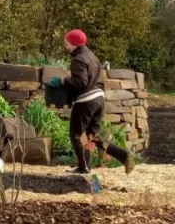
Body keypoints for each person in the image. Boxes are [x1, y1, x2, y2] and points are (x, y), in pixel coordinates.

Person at [49, 29, 134, 176]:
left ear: (74, 43)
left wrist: (62, 81)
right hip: (99, 99)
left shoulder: (79, 59)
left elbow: (81, 82)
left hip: (86, 101)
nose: (65, 45)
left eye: (67, 42)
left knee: (77, 135)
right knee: (92, 136)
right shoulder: (93, 57)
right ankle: (124, 157)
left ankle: (84, 168)